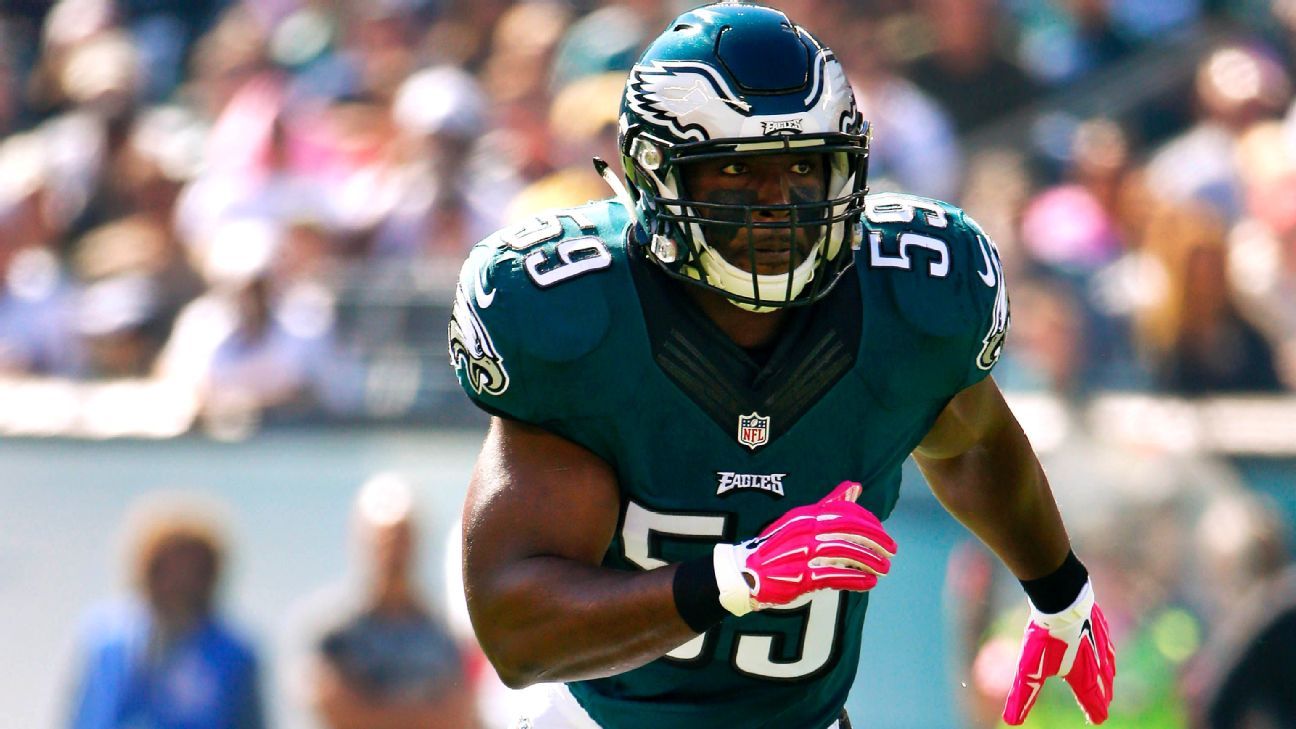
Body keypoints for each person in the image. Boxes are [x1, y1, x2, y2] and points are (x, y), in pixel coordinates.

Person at [447, 3, 1116, 727]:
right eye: (737, 169)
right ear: (655, 176)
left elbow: (972, 439)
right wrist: (733, 578)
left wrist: (1059, 586)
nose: (777, 204)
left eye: (802, 165)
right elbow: (518, 632)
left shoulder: (907, 296)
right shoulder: (579, 316)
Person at [66, 495, 265, 729]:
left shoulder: (235, 652)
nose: (178, 581)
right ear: (145, 567)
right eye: (166, 568)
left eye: (192, 570)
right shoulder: (105, 639)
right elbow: (84, 717)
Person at [303, 472, 478, 729]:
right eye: (384, 541)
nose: (393, 553)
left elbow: (459, 714)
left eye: (402, 540)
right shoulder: (332, 632)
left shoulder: (448, 636)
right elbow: (333, 709)